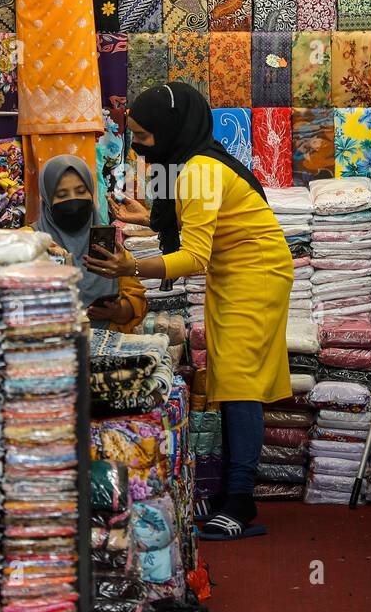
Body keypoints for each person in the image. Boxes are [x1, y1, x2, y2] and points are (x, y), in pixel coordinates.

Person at [85, 83, 293, 540]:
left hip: (254, 273)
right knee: (228, 374)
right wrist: (146, 218)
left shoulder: (199, 170)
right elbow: (199, 222)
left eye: (144, 135)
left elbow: (196, 255)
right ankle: (233, 496)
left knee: (240, 381)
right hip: (237, 271)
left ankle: (239, 503)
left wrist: (130, 265)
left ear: (170, 128)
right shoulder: (197, 161)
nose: (138, 145)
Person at [34, 155, 147, 332]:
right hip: (49, 348)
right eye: (61, 195)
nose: (73, 201)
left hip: (107, 346)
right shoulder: (29, 243)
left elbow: (136, 303)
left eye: (80, 192)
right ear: (47, 200)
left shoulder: (106, 241)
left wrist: (116, 311)